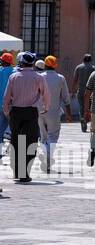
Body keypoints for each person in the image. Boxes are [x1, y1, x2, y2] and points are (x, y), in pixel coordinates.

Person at [4, 52, 50, 181]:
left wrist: (7, 111)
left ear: (21, 62)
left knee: (16, 142)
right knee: (31, 142)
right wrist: (46, 108)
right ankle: (24, 172)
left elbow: (7, 97)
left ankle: (18, 172)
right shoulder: (38, 77)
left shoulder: (14, 76)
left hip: (16, 112)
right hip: (31, 112)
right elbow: (46, 94)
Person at [36, 57, 70, 173]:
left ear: (45, 65)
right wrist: (69, 113)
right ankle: (46, 156)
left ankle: (45, 157)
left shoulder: (39, 77)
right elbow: (66, 97)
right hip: (53, 112)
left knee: (43, 135)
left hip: (39, 111)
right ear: (55, 65)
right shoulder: (60, 78)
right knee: (53, 136)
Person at [72, 53, 95, 133]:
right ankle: (89, 121)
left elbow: (75, 80)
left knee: (82, 107)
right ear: (91, 60)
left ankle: (82, 119)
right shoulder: (93, 68)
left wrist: (73, 91)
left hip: (81, 90)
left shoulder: (78, 67)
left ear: (83, 59)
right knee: (90, 108)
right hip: (90, 92)